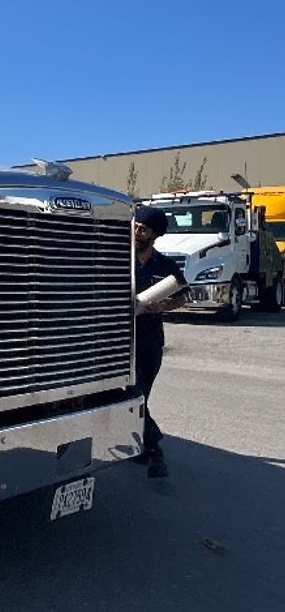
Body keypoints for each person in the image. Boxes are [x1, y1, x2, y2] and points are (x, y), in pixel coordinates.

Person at [132, 205, 188, 478]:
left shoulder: (165, 265)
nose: (136, 231)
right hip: (120, 339)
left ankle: (145, 448)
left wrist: (162, 306)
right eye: (135, 226)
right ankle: (153, 449)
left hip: (150, 340)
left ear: (154, 234)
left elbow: (183, 295)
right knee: (132, 394)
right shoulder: (118, 260)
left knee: (141, 394)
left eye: (143, 229)